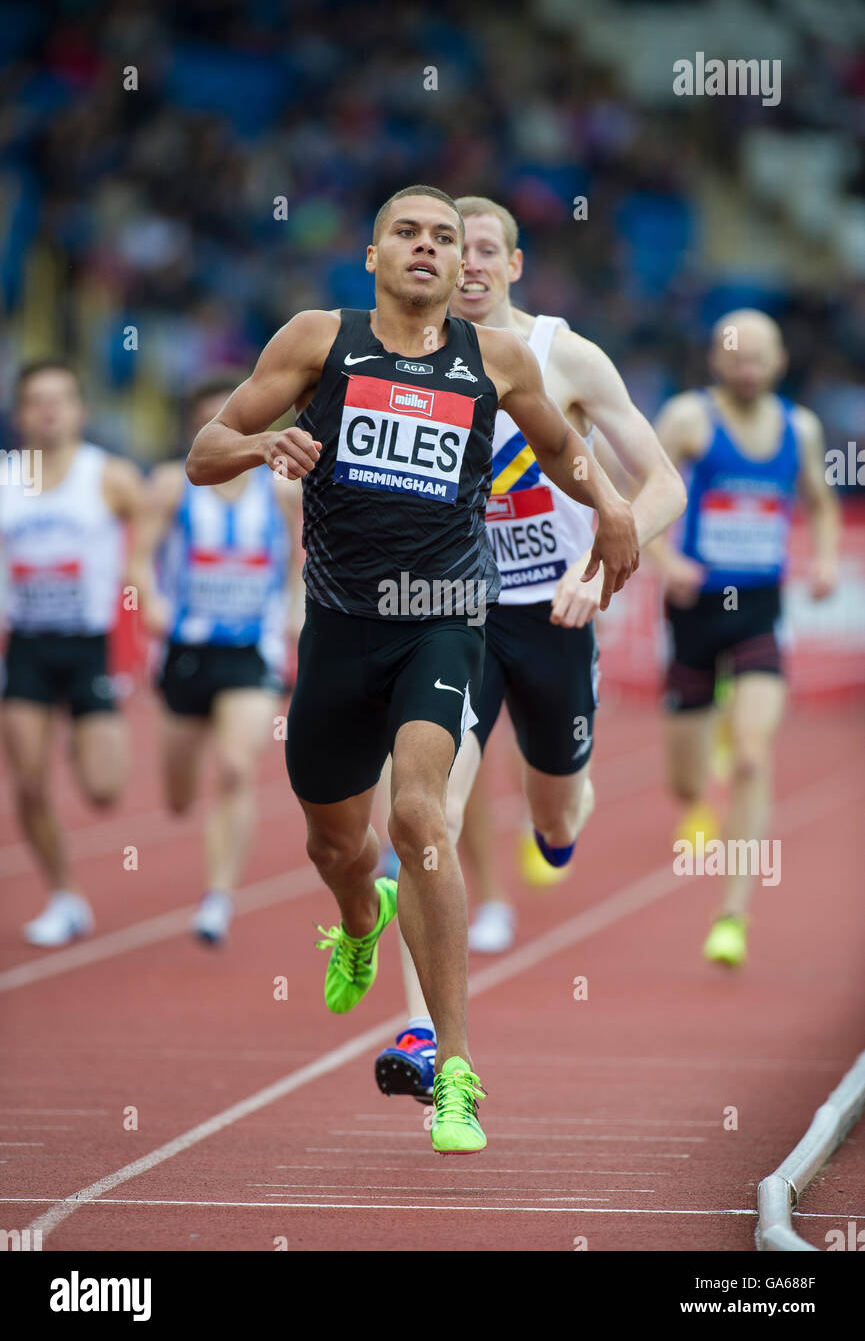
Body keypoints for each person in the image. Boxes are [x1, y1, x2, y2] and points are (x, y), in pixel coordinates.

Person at [185, 183, 640, 1154]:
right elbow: (203, 449)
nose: (431, 248)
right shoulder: (318, 338)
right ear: (374, 254)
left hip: (443, 614)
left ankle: (455, 1067)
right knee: (336, 848)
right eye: (409, 233)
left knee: (421, 812)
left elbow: (562, 450)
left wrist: (609, 509)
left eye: (444, 236)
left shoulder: (499, 357)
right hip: (343, 624)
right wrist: (264, 442)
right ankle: (359, 916)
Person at [373, 195, 685, 1103]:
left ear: (513, 264)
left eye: (481, 251)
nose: (462, 264)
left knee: (553, 814)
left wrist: (603, 565)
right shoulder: (404, 358)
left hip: (553, 615)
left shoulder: (566, 357)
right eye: (447, 247)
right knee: (421, 810)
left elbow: (660, 483)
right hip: (449, 614)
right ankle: (426, 1032)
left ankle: (560, 823)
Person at [649, 309, 839, 966]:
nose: (747, 369)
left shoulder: (800, 427)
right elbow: (637, 496)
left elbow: (818, 501)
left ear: (779, 361)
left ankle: (731, 914)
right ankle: (701, 784)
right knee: (683, 783)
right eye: (736, 358)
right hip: (693, 611)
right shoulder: (686, 419)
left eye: (758, 358)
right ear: (716, 362)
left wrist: (822, 559)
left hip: (758, 609)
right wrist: (667, 562)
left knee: (755, 755)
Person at [130, 373, 297, 944]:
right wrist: (149, 601)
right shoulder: (170, 486)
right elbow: (139, 561)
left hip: (251, 649)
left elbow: (307, 550)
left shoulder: (279, 489)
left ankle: (218, 897)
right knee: (178, 796)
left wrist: (296, 608)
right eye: (210, 421)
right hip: (184, 649)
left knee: (233, 768)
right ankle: (184, 797)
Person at [0, 360, 143, 945]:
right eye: (37, 400)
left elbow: (160, 529)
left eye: (60, 399)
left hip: (90, 647)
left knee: (104, 790)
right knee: (29, 786)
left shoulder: (108, 476)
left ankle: (79, 732)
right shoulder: (7, 478)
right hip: (28, 644)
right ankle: (65, 895)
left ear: (81, 411)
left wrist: (146, 593)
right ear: (20, 415)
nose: (49, 410)